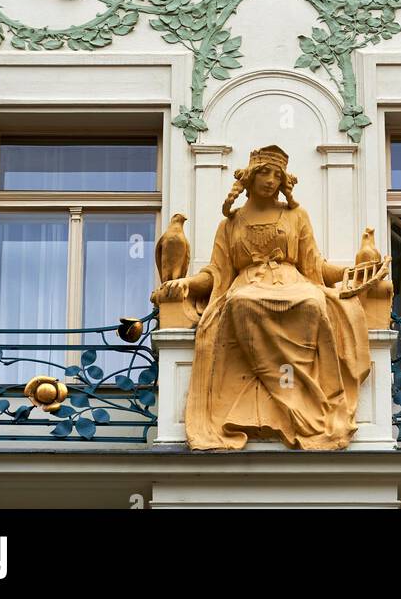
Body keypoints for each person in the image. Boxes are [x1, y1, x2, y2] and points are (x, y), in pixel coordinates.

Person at [152, 145, 388, 450]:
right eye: (264, 172)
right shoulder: (230, 224)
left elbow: (315, 265)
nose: (271, 180)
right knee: (240, 303)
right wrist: (186, 283)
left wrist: (354, 274)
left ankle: (304, 394)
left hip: (293, 283)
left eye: (277, 175)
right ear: (250, 177)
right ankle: (286, 395)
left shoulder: (296, 216)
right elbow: (216, 273)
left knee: (315, 302)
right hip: (248, 287)